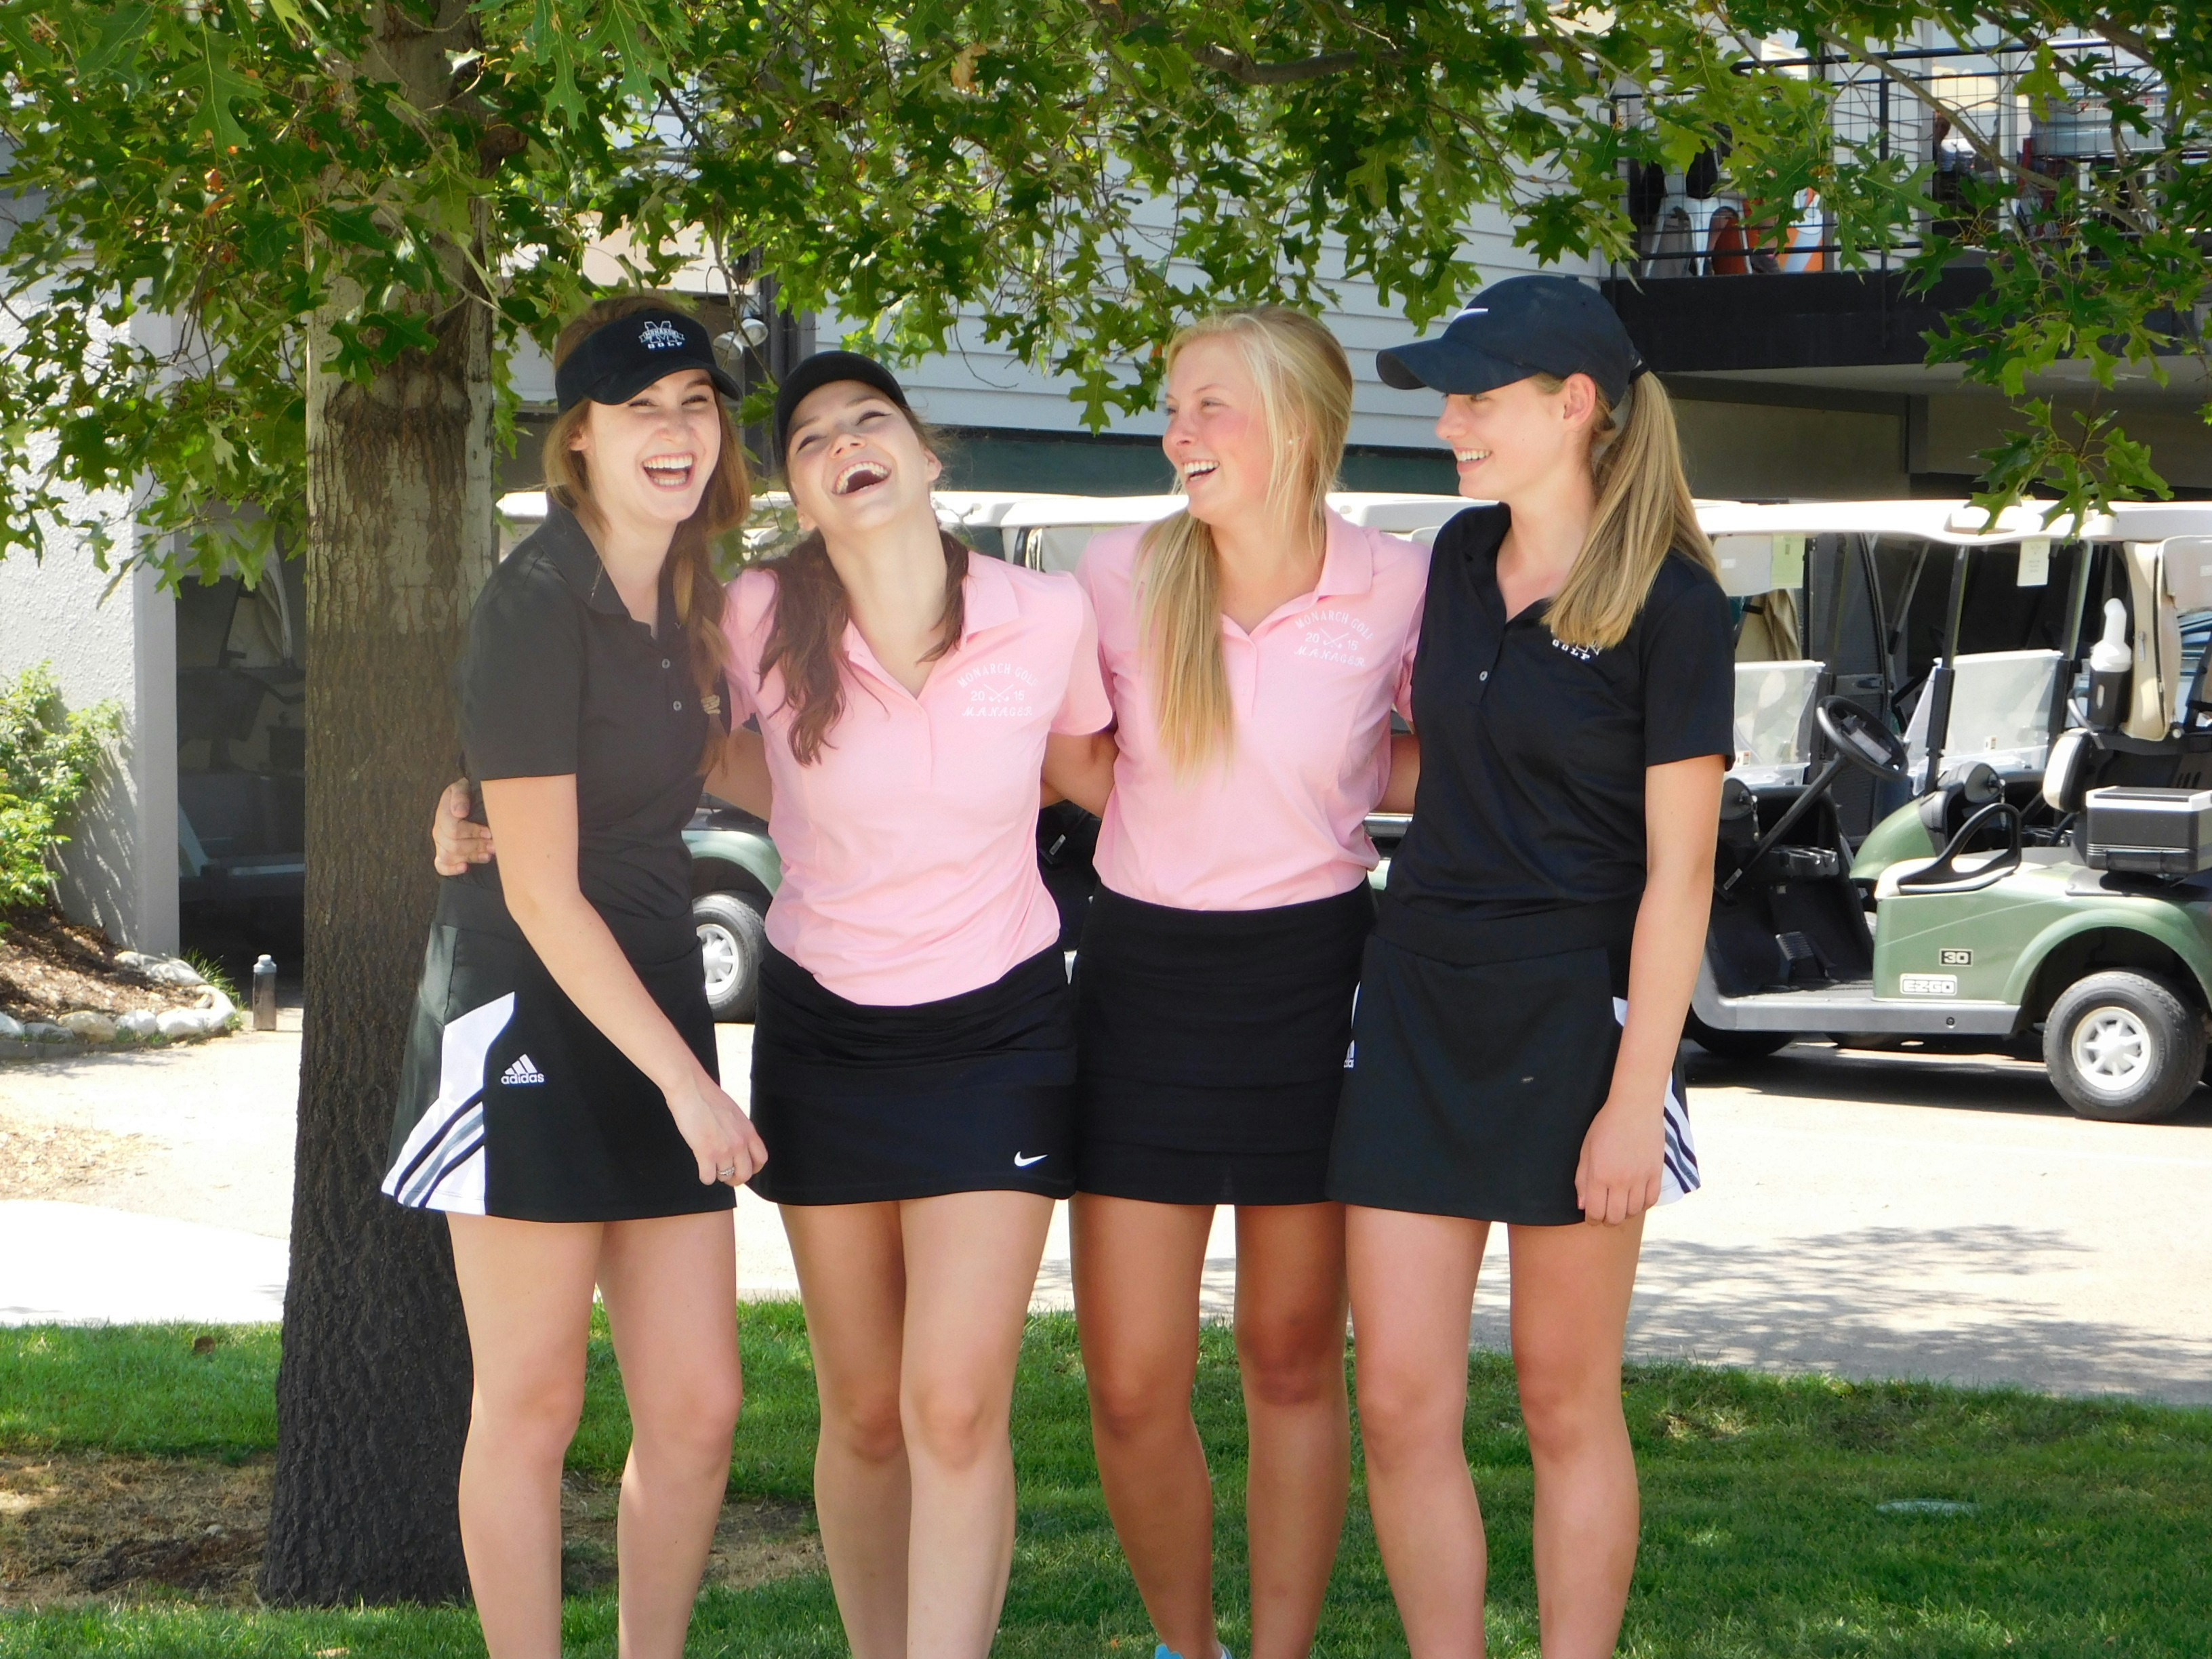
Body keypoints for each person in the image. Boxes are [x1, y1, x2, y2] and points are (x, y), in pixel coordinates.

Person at [436, 348, 1113, 1658]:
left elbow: (1090, 770)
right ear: (795, 488)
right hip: (817, 1029)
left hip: (997, 1028)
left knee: (942, 1406)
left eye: (873, 423)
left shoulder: (1049, 614)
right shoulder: (743, 613)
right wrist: (473, 800)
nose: (845, 446)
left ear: (927, 456)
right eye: (811, 437)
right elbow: (617, 737)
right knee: (858, 1412)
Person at [1331, 275, 1729, 1658]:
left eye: (1477, 398)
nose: (1450, 423)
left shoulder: (1678, 608)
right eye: (1449, 399)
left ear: (1575, 406)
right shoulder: (1451, 557)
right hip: (1418, 1000)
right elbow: (1427, 756)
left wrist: (1638, 1097)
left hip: (1575, 1020)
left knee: (1565, 1402)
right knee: (1395, 1401)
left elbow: (1682, 874)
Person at [385, 293, 769, 1659]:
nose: (677, 432)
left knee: (698, 1407)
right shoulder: (535, 601)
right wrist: (692, 1088)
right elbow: (540, 888)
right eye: (641, 411)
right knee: (533, 1401)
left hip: (655, 986)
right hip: (524, 1016)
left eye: (697, 405)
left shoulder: (695, 596)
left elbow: (747, 773)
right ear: (582, 440)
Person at [1057, 308, 1427, 1659]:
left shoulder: (1399, 583)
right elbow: (1080, 762)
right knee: (1135, 1380)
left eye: (1209, 407)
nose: (1179, 433)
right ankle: (1185, 1648)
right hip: (1144, 983)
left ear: (1297, 424)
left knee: (1287, 1359)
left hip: (1314, 980)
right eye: (1174, 408)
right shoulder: (1115, 573)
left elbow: (1429, 759)